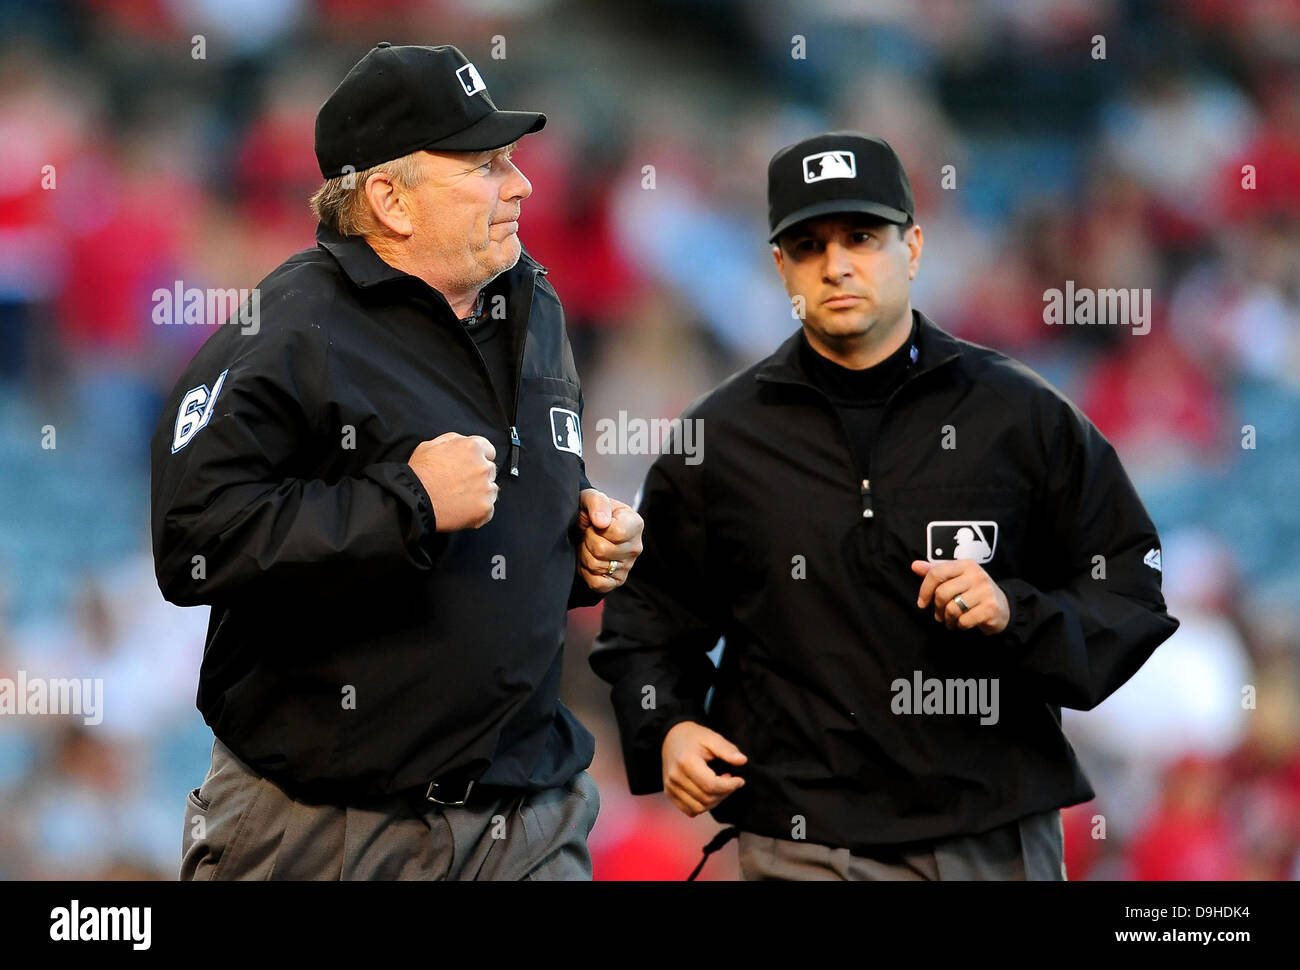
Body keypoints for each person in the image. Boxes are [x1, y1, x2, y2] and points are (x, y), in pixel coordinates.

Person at [590, 130, 1179, 881]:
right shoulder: (719, 439)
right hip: (805, 840)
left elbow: (1130, 582)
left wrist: (1017, 613)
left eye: (862, 237)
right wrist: (666, 724)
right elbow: (646, 623)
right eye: (807, 245)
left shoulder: (1020, 416)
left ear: (914, 247)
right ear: (779, 267)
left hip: (991, 834)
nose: (836, 265)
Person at [151, 43, 643, 881]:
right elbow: (195, 541)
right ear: (390, 197)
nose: (521, 185)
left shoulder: (535, 301)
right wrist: (406, 501)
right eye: (486, 165)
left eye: (513, 161)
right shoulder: (288, 327)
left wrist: (585, 538)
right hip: (327, 826)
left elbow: (524, 484)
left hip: (525, 813)